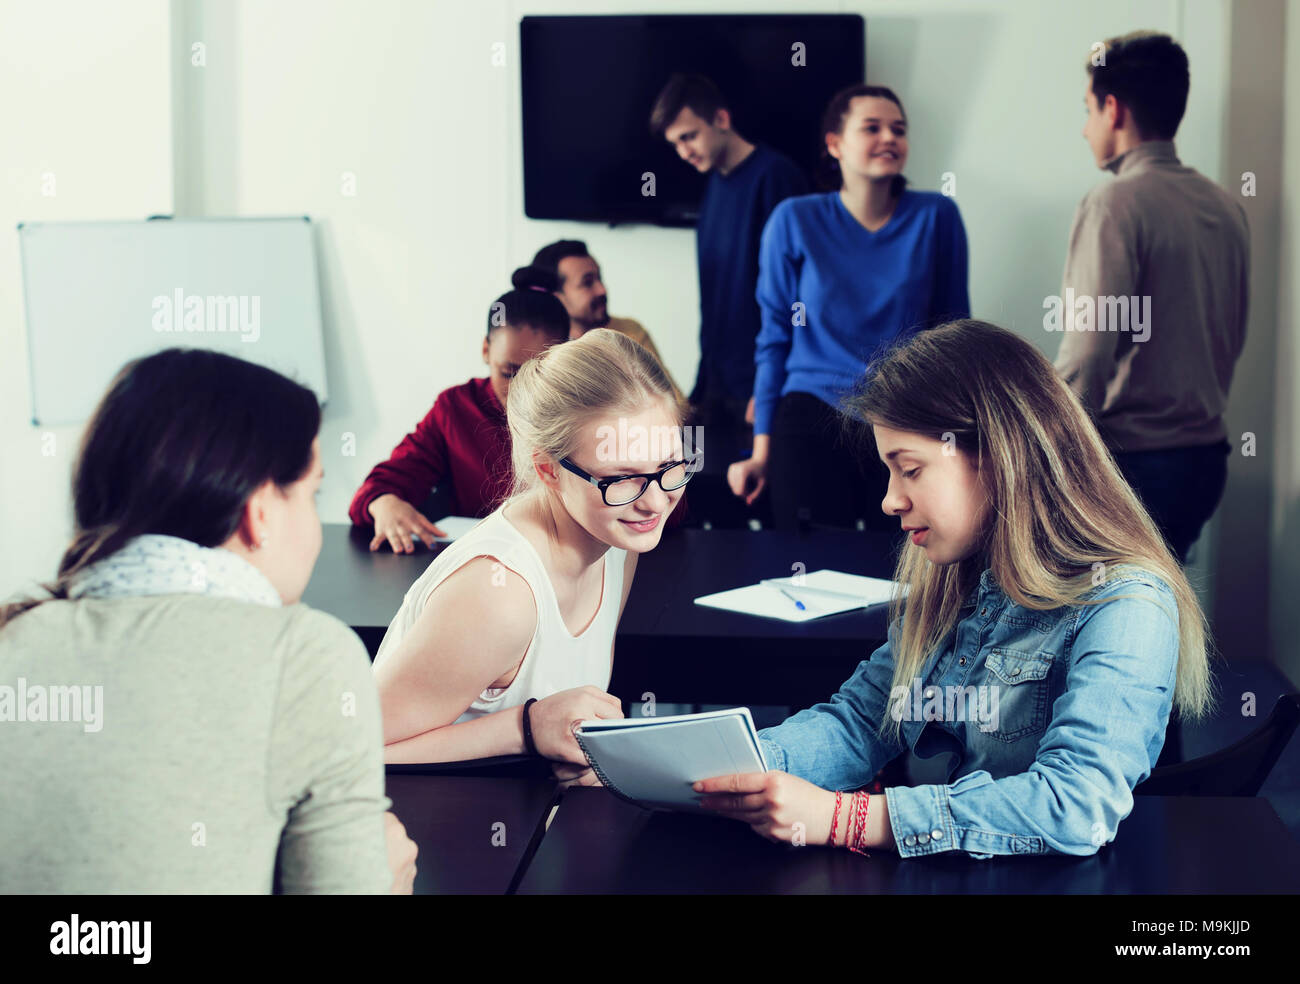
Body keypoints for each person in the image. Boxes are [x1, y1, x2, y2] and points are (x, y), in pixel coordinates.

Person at [694, 320, 1216, 857]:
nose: (889, 500)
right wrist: (699, 770)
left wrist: (847, 818)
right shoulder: (956, 577)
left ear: (997, 457)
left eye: (910, 470)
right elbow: (860, 724)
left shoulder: (1127, 601)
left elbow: (1076, 805)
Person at [0, 349, 417, 893]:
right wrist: (383, 880)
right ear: (260, 511)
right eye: (312, 494)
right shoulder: (305, 655)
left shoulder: (15, 636)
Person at [373, 329, 697, 775]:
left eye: (670, 465)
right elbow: (348, 750)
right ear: (548, 470)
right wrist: (526, 729)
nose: (655, 502)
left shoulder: (618, 540)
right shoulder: (500, 593)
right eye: (621, 478)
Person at [728, 84, 970, 533]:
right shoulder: (793, 220)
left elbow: (955, 336)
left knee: (901, 574)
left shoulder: (936, 217)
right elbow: (773, 341)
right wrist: (760, 453)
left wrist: (959, 443)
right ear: (834, 144)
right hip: (811, 415)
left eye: (898, 129)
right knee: (809, 569)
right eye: (872, 127)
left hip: (907, 415)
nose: (889, 138)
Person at [1055, 31, 1249, 566]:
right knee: (1163, 609)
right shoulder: (1226, 206)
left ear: (1112, 109)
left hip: (1135, 464)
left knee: (1111, 620)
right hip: (1205, 460)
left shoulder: (1114, 202)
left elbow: (1088, 351)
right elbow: (1230, 336)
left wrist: (1050, 449)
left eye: (1088, 109)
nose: (1085, 127)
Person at [649, 73, 808, 518]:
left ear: (721, 118)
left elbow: (801, 293)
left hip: (762, 385)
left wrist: (772, 385)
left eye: (689, 136)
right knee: (713, 511)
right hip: (718, 384)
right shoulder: (714, 185)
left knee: (773, 514)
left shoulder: (777, 178)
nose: (684, 151)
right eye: (676, 144)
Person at [349, 266, 570, 553]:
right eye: (508, 372)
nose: (520, 391)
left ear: (565, 357)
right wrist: (384, 502)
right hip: (480, 566)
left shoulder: (586, 411)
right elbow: (380, 486)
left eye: (538, 372)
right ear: (485, 350)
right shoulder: (455, 409)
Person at [530, 239, 684, 403]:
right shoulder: (536, 346)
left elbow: (675, 404)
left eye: (599, 278)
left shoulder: (629, 332)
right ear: (556, 297)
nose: (602, 290)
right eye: (587, 283)